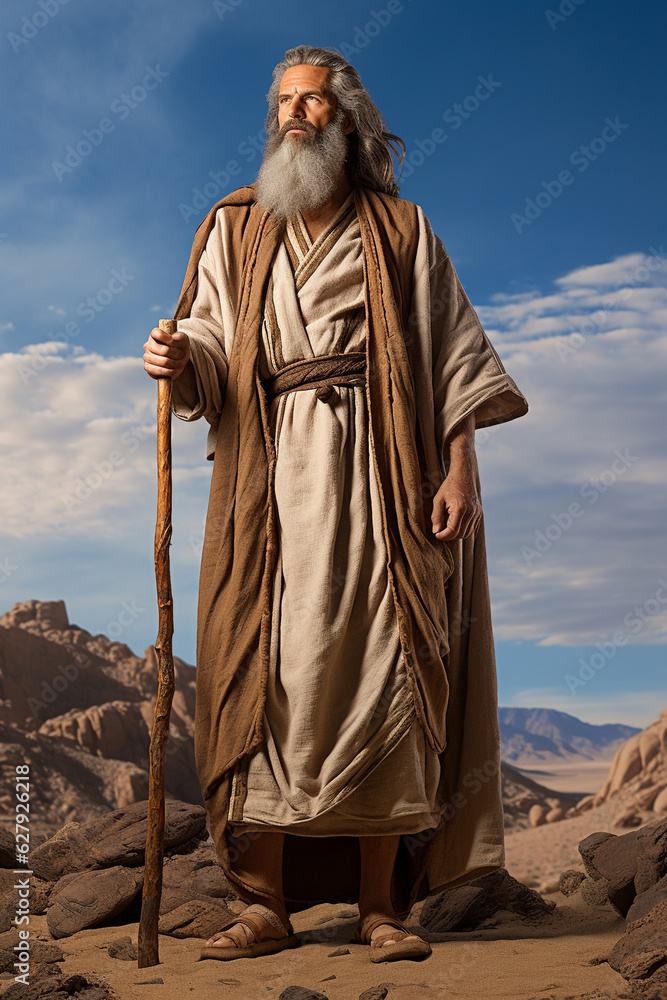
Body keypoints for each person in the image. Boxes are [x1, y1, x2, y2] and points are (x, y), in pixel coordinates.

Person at [143, 44, 528, 963]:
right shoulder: (234, 228)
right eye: (283, 101)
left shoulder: (401, 230)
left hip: (380, 476)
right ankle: (265, 905)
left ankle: (379, 908)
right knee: (264, 677)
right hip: (268, 485)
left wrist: (459, 468)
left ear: (347, 122)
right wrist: (178, 358)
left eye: (313, 103)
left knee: (385, 670)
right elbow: (207, 334)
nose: (293, 115)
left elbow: (450, 358)